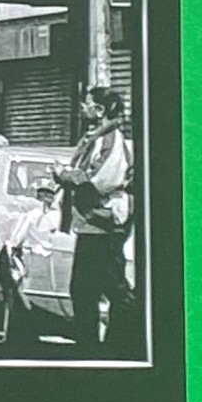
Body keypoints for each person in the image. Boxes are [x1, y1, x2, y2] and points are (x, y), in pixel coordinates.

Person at [52, 86, 136, 354]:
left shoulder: (110, 139)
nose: (82, 107)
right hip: (92, 224)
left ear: (99, 110)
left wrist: (63, 175)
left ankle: (119, 344)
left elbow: (98, 180)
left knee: (112, 287)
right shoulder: (96, 137)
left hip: (104, 224)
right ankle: (91, 346)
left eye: (86, 103)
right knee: (85, 288)